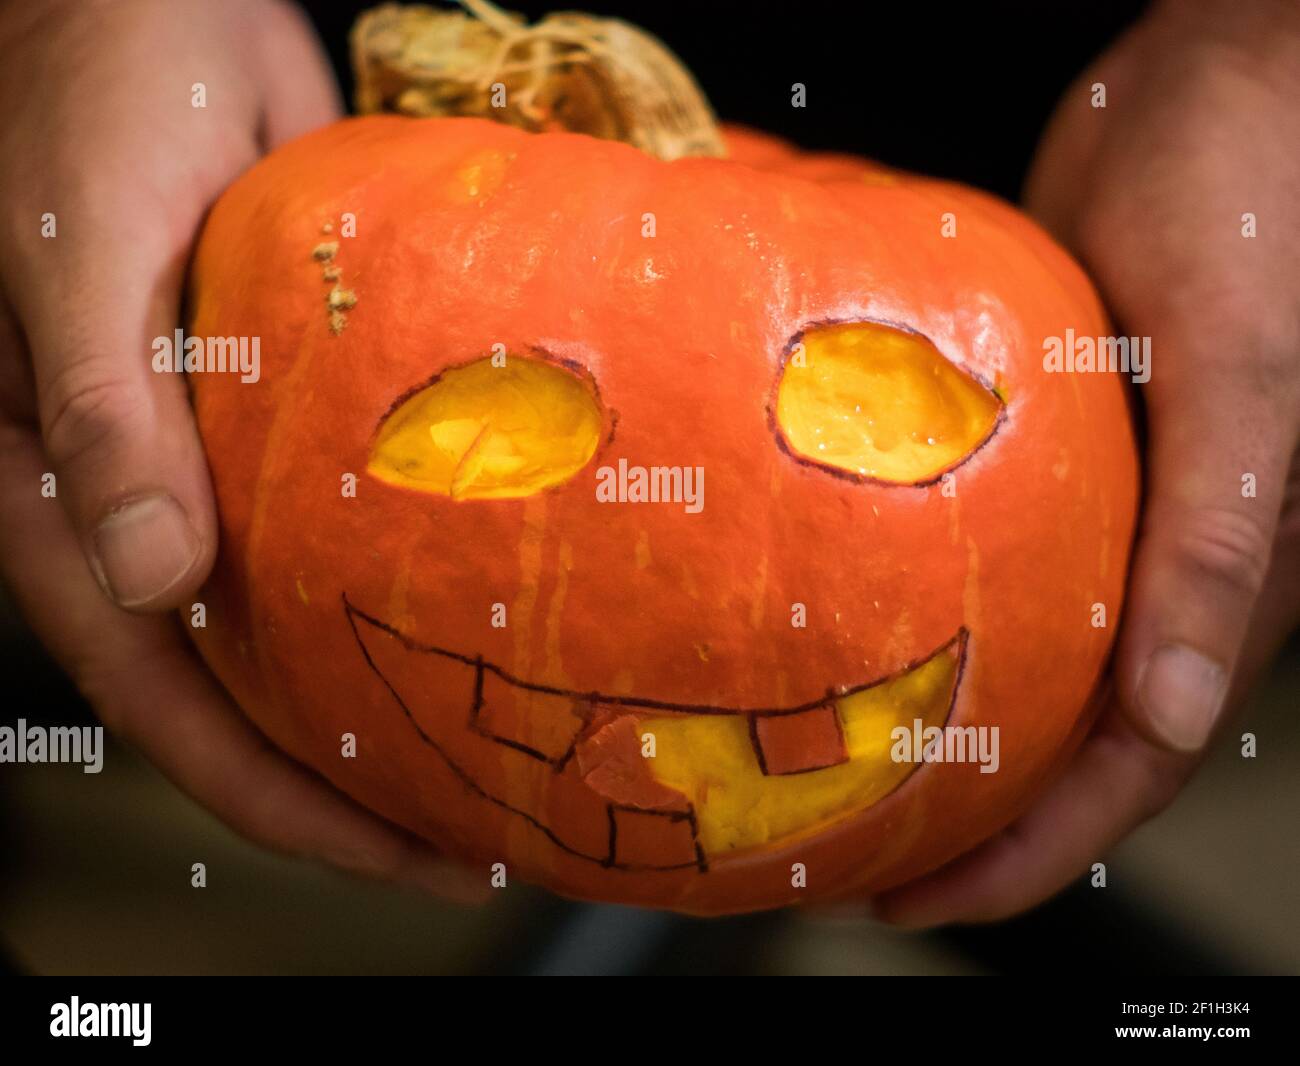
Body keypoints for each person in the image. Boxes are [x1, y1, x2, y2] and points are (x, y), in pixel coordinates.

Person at [0, 0, 1295, 925]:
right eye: (503, 432)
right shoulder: (351, 204)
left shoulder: (1013, 286)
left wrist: (1267, 49)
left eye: (865, 426)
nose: (697, 595)